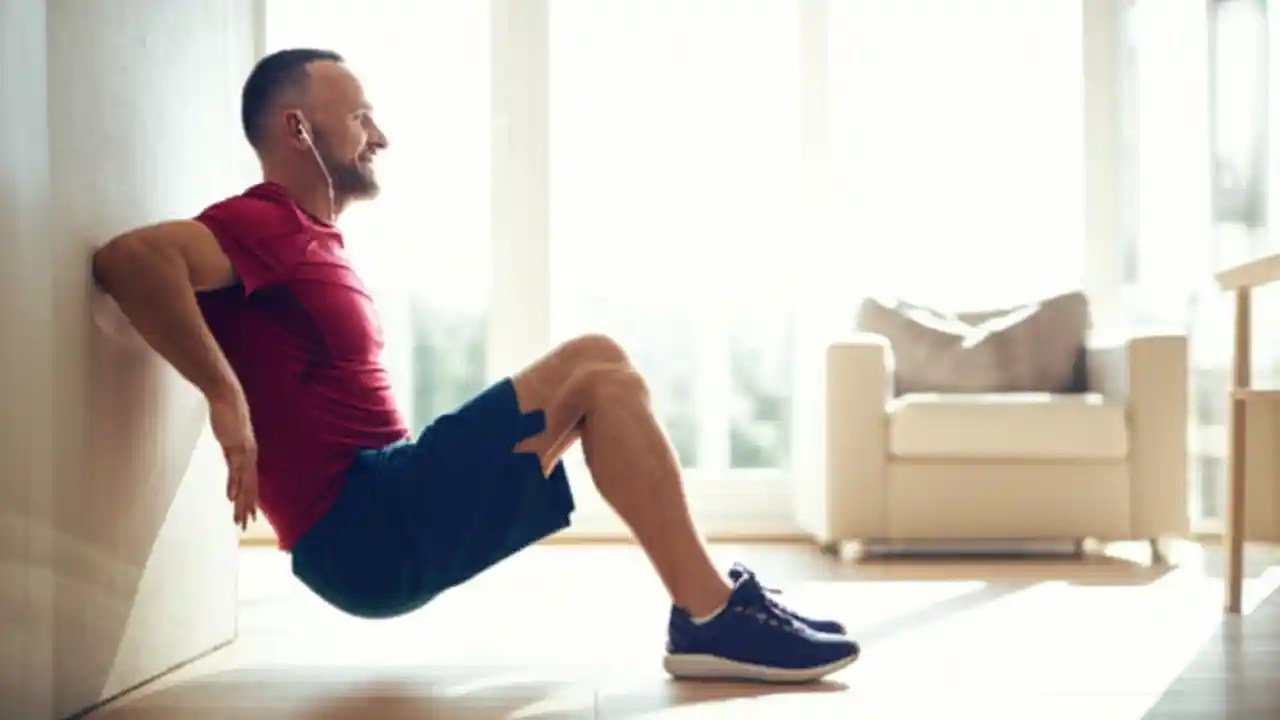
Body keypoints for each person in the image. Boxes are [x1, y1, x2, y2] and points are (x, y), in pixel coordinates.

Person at [91, 48, 859, 683]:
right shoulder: (259, 219)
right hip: (362, 525)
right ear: (298, 127)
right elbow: (131, 259)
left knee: (605, 374)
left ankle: (708, 605)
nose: (379, 135)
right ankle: (710, 615)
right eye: (360, 116)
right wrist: (223, 396)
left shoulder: (310, 240)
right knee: (595, 364)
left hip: (382, 504)